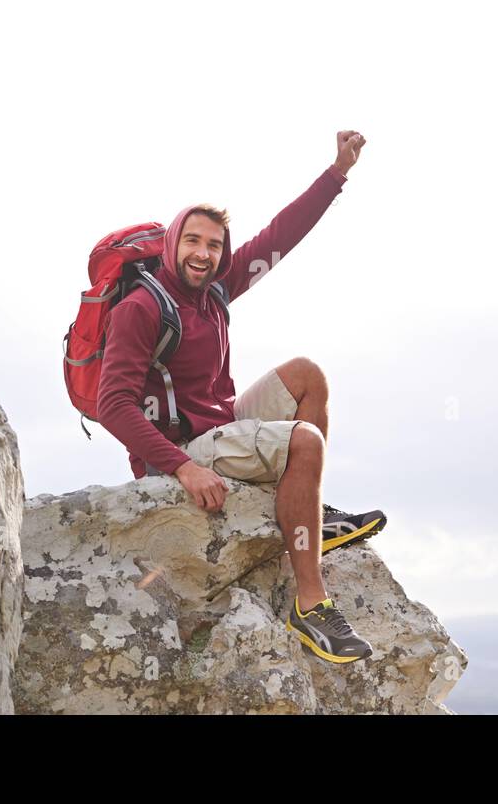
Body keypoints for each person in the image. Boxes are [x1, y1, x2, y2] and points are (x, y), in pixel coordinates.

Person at [96, 130, 387, 663]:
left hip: (219, 423)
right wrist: (183, 468)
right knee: (306, 442)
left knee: (307, 375)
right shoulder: (141, 307)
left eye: (213, 245)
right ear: (172, 244)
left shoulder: (216, 291)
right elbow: (111, 403)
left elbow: (280, 237)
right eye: (193, 241)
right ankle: (310, 603)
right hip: (182, 450)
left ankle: (307, 513)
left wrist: (336, 173)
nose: (204, 254)